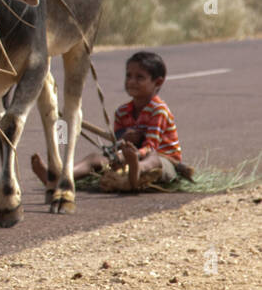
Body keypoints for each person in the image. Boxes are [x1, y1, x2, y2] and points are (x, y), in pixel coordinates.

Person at [31, 50, 193, 192]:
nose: (131, 81)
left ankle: (135, 172)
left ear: (157, 82)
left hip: (163, 161)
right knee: (95, 158)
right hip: (127, 157)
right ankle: (60, 177)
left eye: (139, 77)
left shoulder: (159, 110)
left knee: (153, 158)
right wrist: (123, 144)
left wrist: (134, 154)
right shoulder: (122, 112)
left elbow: (151, 146)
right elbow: (117, 142)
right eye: (128, 76)